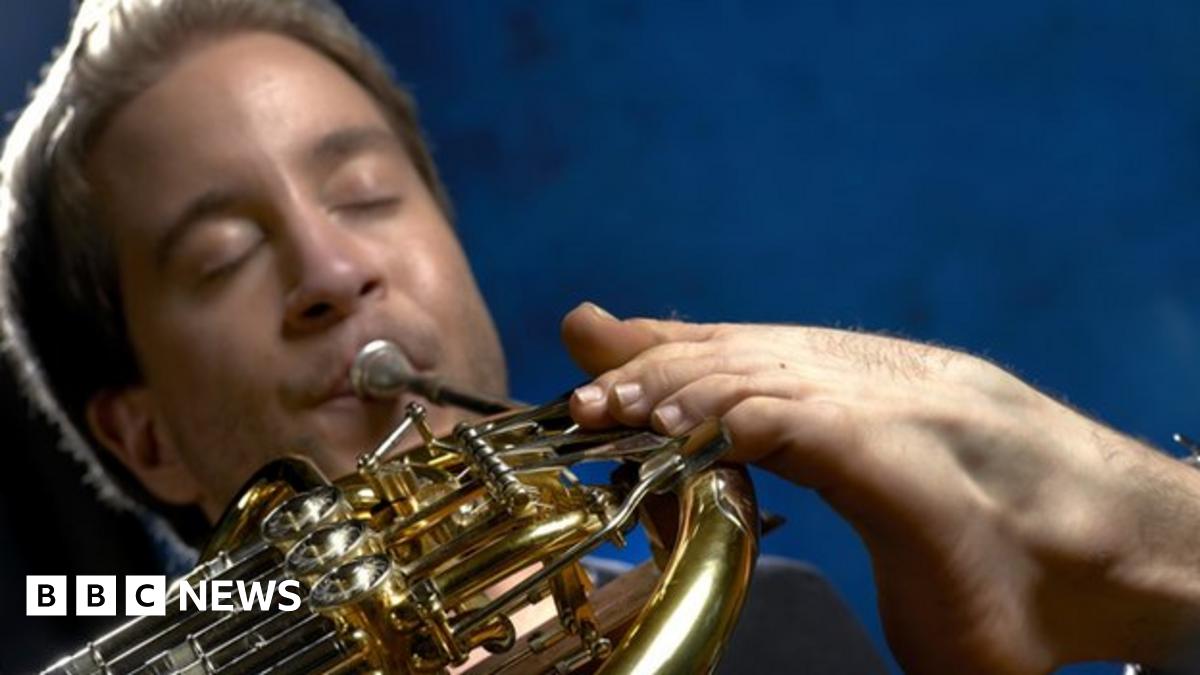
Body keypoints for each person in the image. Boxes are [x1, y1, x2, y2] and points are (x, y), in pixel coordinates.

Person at [0, 1, 1196, 674]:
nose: (332, 270)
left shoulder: (775, 631)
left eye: (367, 195)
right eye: (223, 257)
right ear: (142, 437)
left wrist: (1155, 544)